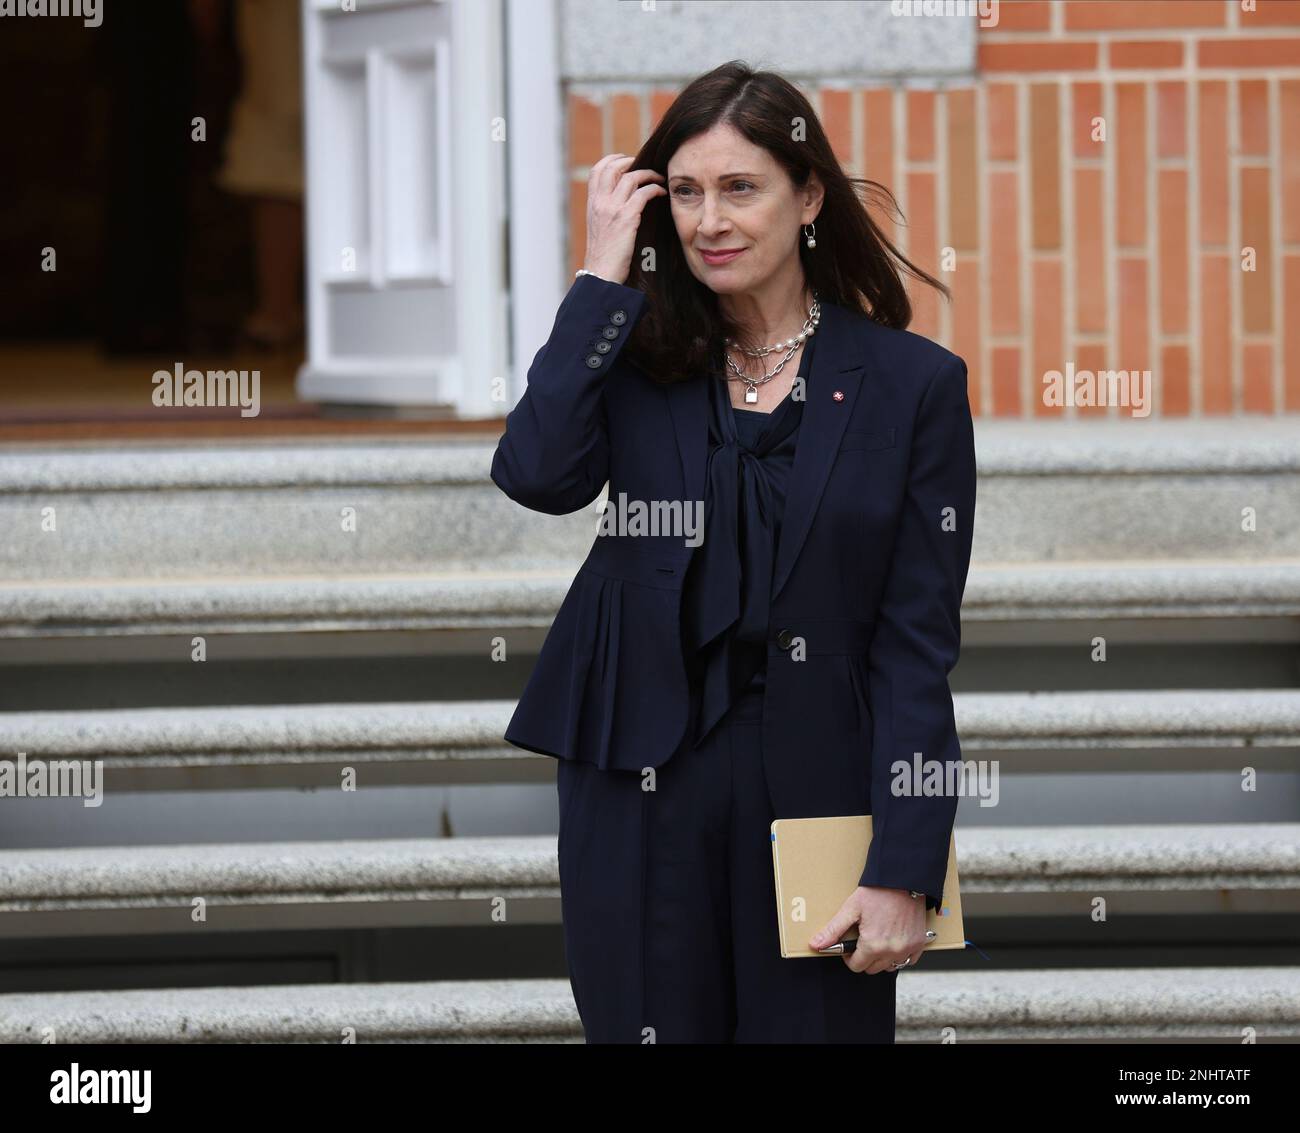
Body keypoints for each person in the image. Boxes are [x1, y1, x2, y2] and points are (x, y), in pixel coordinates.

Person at [491, 61, 976, 1044]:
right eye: (684, 191)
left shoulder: (909, 384)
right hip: (635, 781)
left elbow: (914, 644)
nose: (708, 219)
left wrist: (906, 865)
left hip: (815, 787)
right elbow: (537, 472)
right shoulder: (632, 357)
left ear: (806, 197)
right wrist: (597, 278)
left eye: (739, 187)